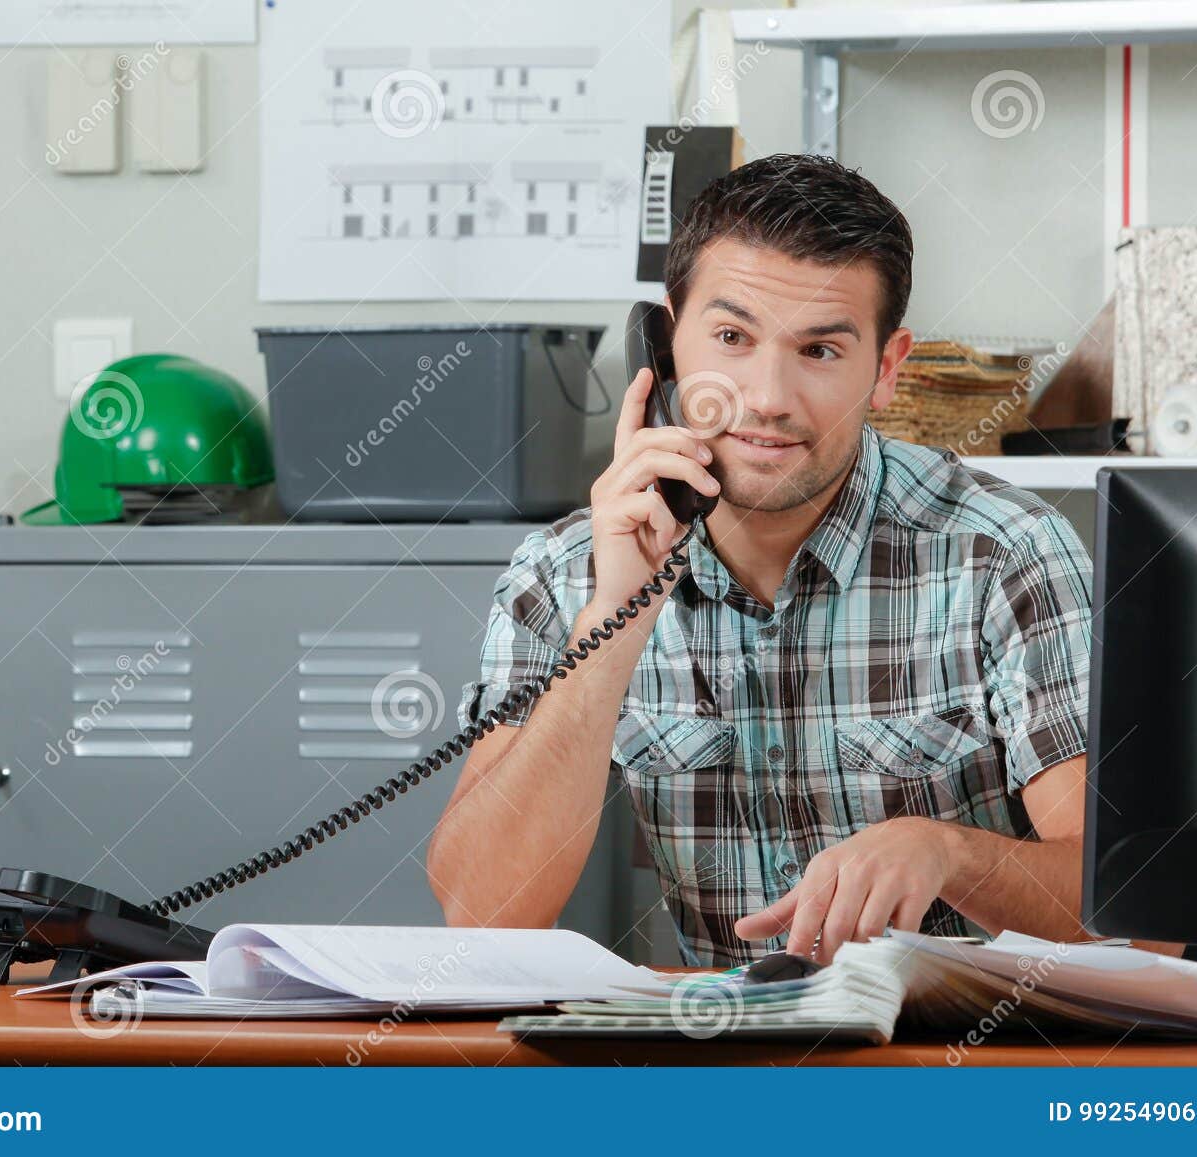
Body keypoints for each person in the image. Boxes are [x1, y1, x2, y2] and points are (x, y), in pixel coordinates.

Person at [425, 153, 1093, 967]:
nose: (768, 395)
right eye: (733, 337)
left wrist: (947, 853)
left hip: (966, 1071)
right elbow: (483, 915)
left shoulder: (1006, 554)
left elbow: (1138, 915)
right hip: (725, 1069)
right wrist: (613, 622)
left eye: (819, 352)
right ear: (669, 343)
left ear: (885, 368)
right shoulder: (563, 571)